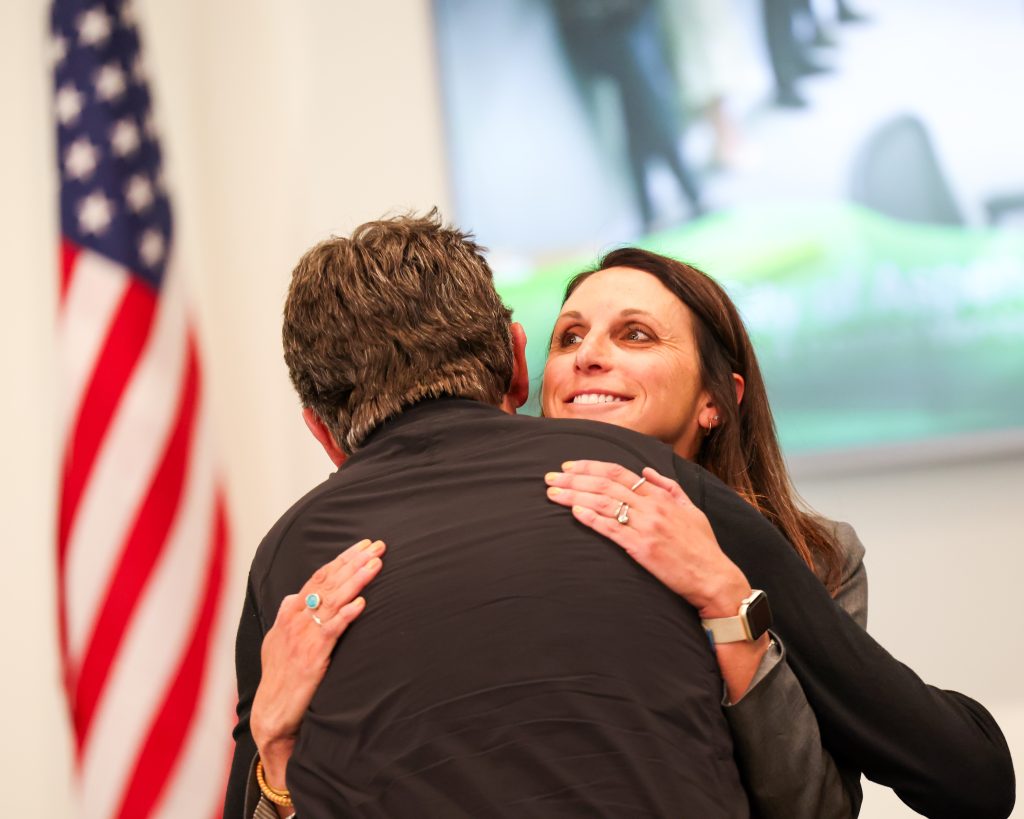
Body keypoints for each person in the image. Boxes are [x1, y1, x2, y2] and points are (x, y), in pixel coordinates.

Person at [226, 213, 1014, 819]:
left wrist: (730, 605)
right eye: (571, 336)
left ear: (717, 399)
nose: (589, 357)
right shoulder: (343, 562)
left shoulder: (800, 551)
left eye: (634, 334)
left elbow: (883, 789)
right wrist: (275, 751)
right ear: (519, 366)